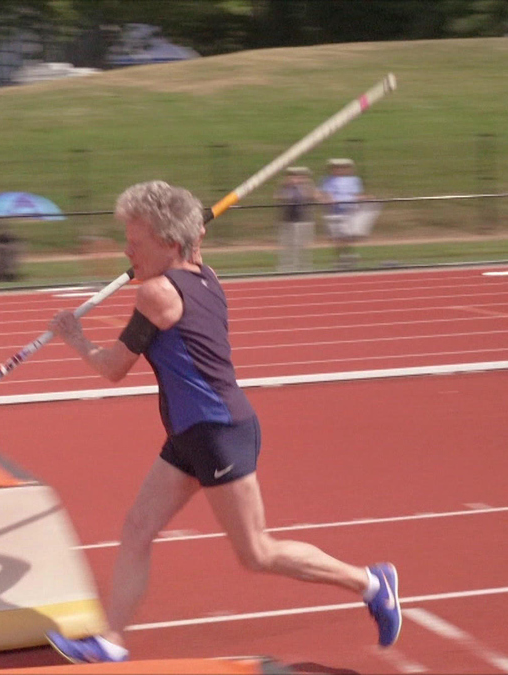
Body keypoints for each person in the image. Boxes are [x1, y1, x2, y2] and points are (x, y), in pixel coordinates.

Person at [43, 180, 400, 664]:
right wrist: (183, 237)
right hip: (190, 434)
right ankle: (111, 641)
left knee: (256, 552)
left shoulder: (157, 295)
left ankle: (371, 582)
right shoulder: (206, 274)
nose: (126, 251)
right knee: (137, 529)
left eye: (135, 242)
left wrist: (74, 336)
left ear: (169, 243)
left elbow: (112, 368)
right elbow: (189, 251)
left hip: (217, 433)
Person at [318, 158, 370, 268]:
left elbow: (356, 194)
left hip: (349, 210)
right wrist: (326, 199)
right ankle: (341, 257)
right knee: (336, 237)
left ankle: (347, 255)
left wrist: (365, 198)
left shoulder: (354, 180)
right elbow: (323, 194)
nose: (339, 170)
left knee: (347, 236)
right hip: (334, 211)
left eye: (342, 167)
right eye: (336, 167)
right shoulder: (327, 180)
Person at [274, 166, 319, 273]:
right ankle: (286, 266)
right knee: (288, 244)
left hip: (303, 219)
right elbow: (277, 197)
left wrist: (305, 185)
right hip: (288, 219)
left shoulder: (307, 187)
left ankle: (304, 266)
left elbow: (314, 196)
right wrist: (286, 187)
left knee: (302, 244)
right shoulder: (285, 188)